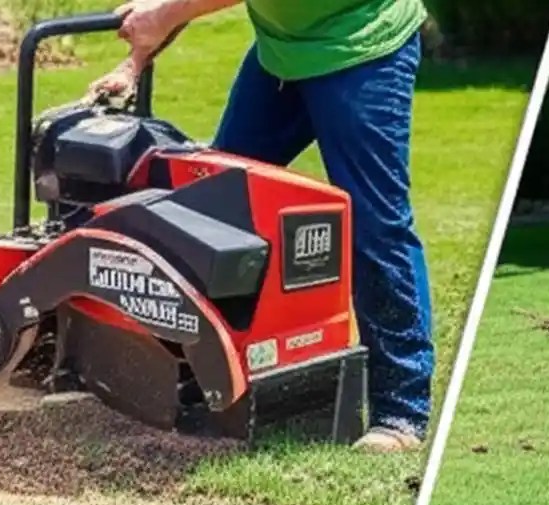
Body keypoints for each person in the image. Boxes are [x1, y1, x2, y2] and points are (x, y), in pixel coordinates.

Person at [91, 0, 434, 453]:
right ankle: (213, 370)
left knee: (375, 226)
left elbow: (171, 11)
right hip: (281, 54)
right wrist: (136, 57)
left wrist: (164, 16)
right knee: (216, 206)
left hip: (360, 47)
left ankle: (401, 410)